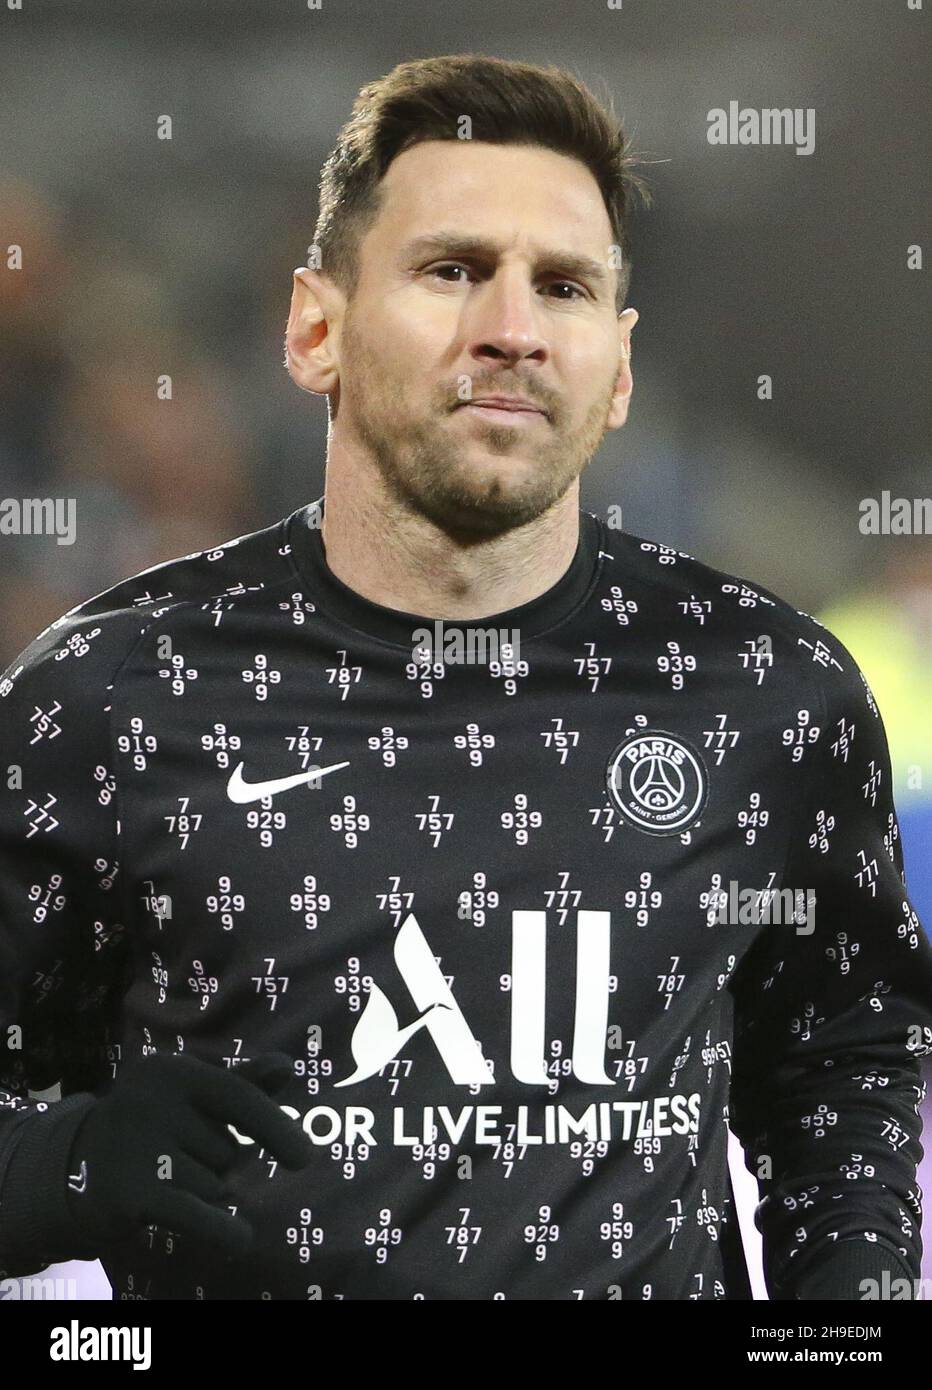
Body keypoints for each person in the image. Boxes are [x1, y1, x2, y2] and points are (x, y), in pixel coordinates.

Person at [1, 52, 930, 1301]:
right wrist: (58, 1165)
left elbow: (842, 1060)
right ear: (313, 326)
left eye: (563, 285)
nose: (511, 328)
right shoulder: (110, 697)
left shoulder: (769, 690)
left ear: (618, 366)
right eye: (451, 271)